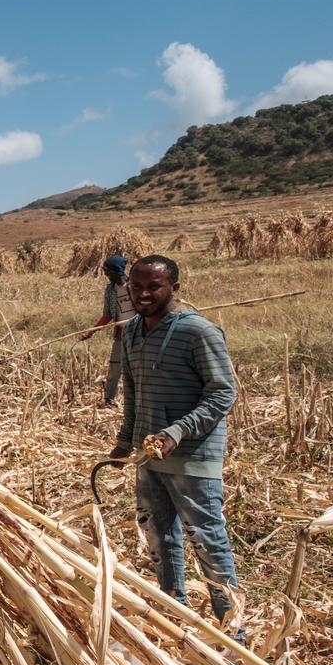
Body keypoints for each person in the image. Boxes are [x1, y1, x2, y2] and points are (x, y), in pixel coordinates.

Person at [108, 255, 241, 631]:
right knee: (157, 535)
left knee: (207, 541)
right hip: (149, 457)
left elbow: (222, 393)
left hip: (192, 457)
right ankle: (173, 617)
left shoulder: (199, 332)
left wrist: (175, 432)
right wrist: (125, 443)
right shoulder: (133, 330)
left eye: (154, 286)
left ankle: (233, 629)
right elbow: (133, 391)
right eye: (137, 287)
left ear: (174, 289)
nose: (144, 294)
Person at [79, 254, 136, 406]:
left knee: (138, 370)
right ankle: (109, 400)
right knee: (114, 369)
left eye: (107, 271)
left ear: (116, 270)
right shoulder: (110, 290)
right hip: (120, 335)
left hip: (139, 334)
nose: (105, 274)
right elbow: (107, 315)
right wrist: (91, 331)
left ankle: (139, 401)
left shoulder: (135, 286)